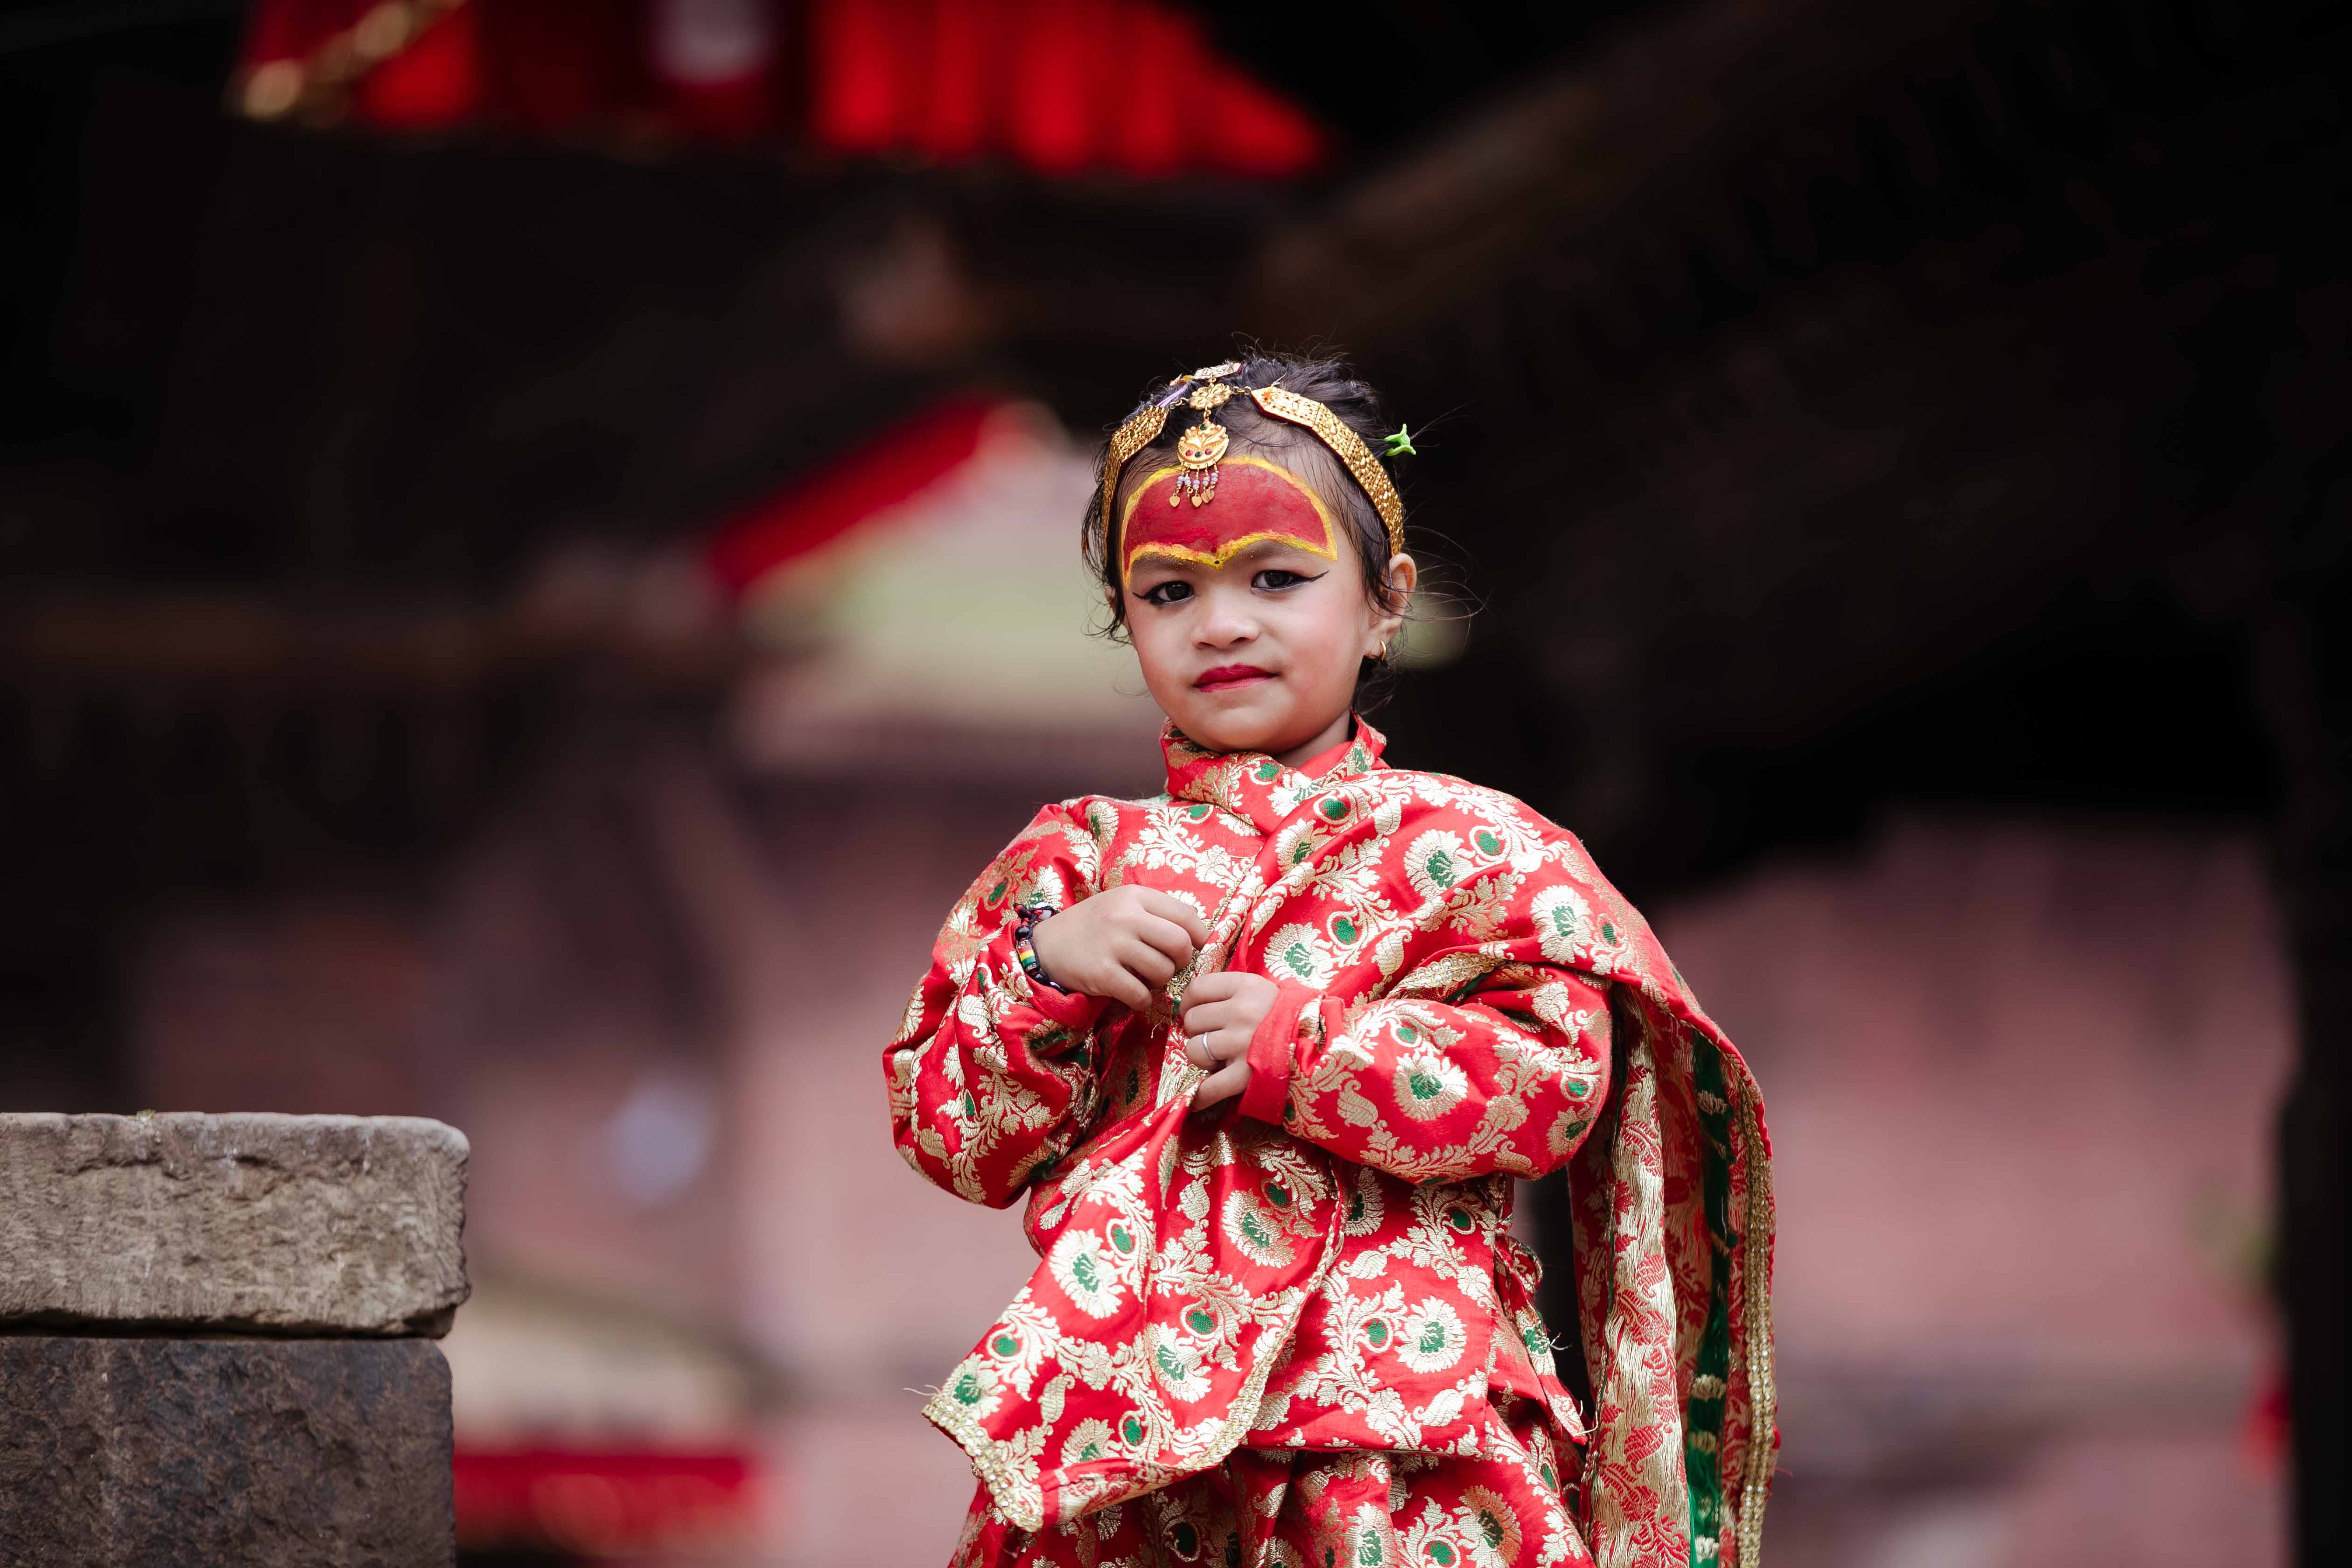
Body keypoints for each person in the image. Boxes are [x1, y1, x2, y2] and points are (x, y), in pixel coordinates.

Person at [885, 353, 1776, 1568]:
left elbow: (1553, 1088)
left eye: (1277, 577)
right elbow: (956, 1138)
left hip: (1403, 1439)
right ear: (1125, 622)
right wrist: (1049, 968)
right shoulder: (1076, 867)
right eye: (1169, 592)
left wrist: (1301, 1049)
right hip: (1121, 1454)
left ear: (1385, 602)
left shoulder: (1477, 854)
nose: (1222, 623)